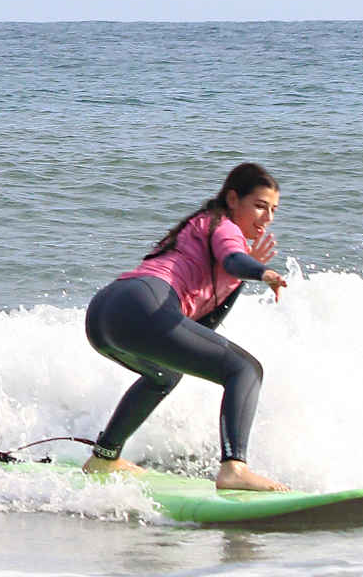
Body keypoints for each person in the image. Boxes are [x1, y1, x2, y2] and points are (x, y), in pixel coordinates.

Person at [81, 163, 290, 491]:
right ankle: (234, 468)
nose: (268, 218)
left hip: (104, 314)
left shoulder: (203, 232)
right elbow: (234, 258)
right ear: (233, 199)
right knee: (246, 370)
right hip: (143, 304)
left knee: (164, 374)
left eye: (274, 210)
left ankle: (104, 457)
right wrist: (260, 271)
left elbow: (202, 328)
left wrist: (243, 277)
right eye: (260, 206)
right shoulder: (223, 224)